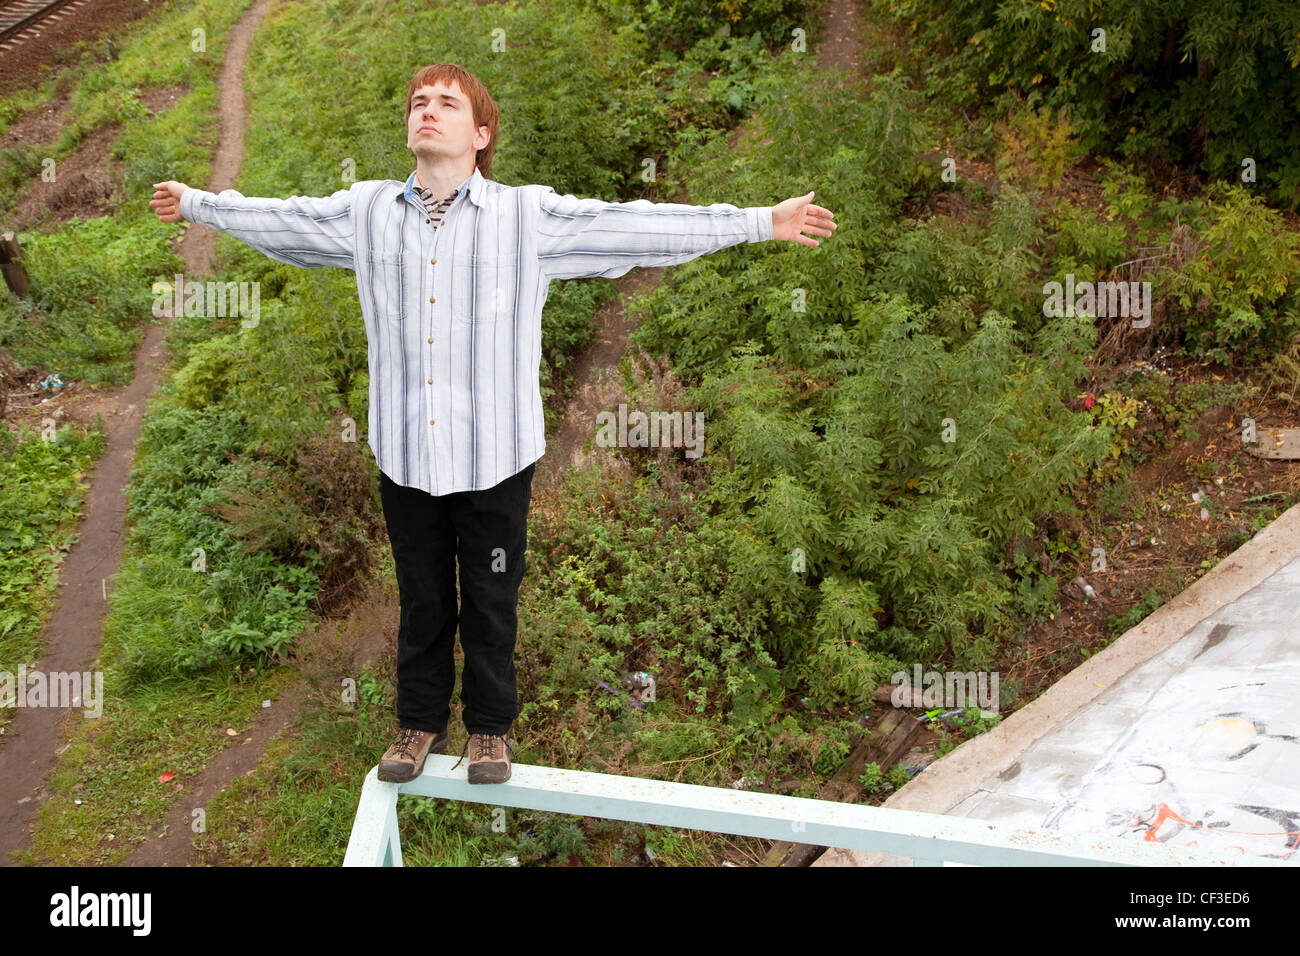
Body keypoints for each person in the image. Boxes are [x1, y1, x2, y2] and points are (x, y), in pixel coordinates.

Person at [150, 61, 837, 786]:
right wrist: (199, 204)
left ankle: (488, 730)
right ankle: (416, 724)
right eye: (418, 102)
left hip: (496, 455)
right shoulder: (367, 212)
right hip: (407, 452)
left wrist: (762, 222)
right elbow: (281, 218)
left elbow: (634, 226)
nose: (427, 111)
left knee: (489, 595)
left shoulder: (525, 217)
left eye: (447, 103)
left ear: (480, 134)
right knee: (421, 598)